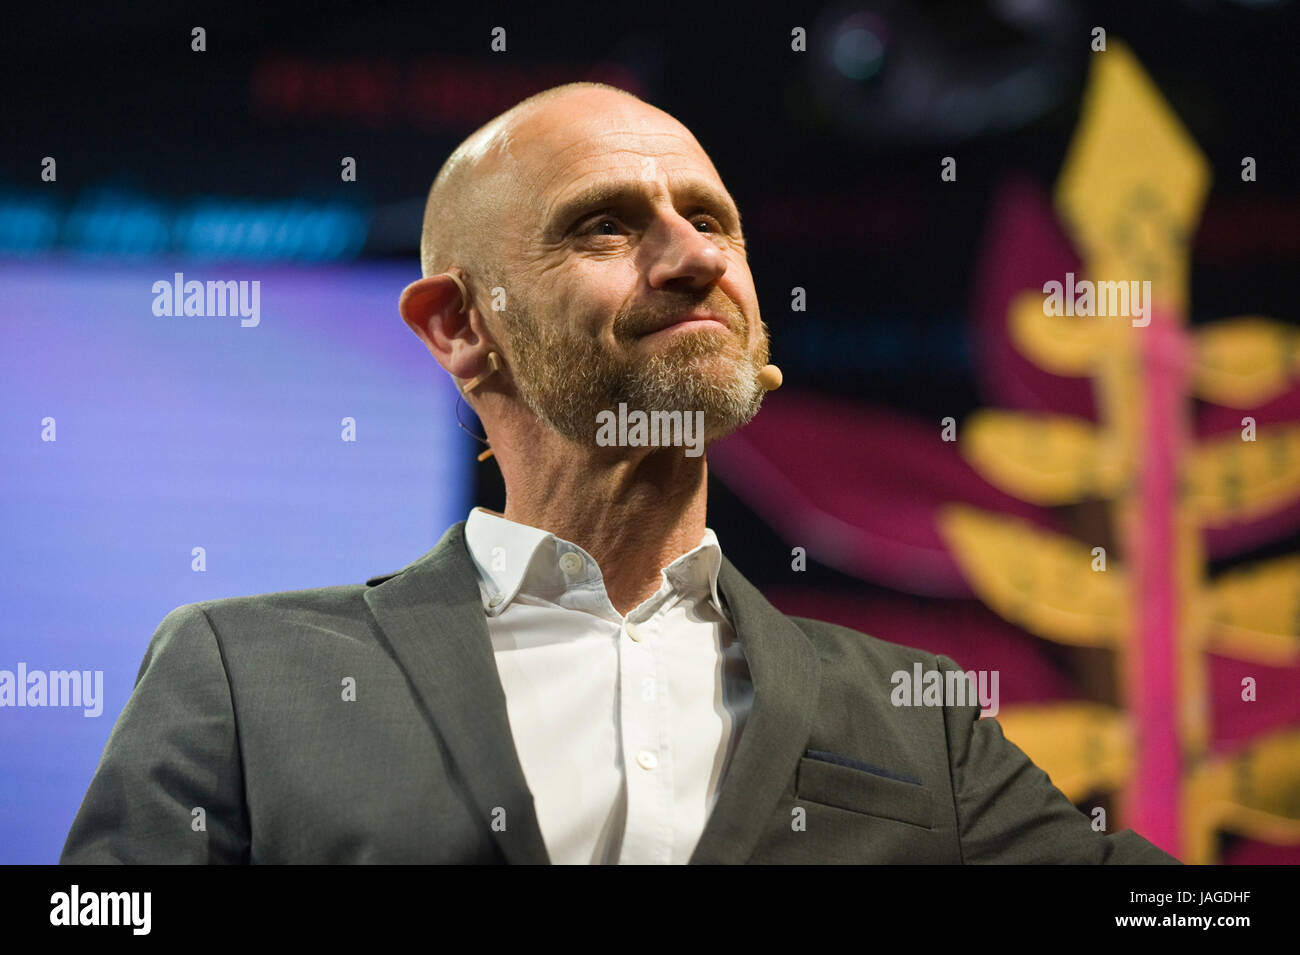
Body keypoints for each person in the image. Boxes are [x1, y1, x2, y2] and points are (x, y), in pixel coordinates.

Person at [61, 82, 1178, 864]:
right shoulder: (245, 677)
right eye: (603, 226)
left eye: (711, 220)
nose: (695, 256)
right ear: (459, 327)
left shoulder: (912, 715)